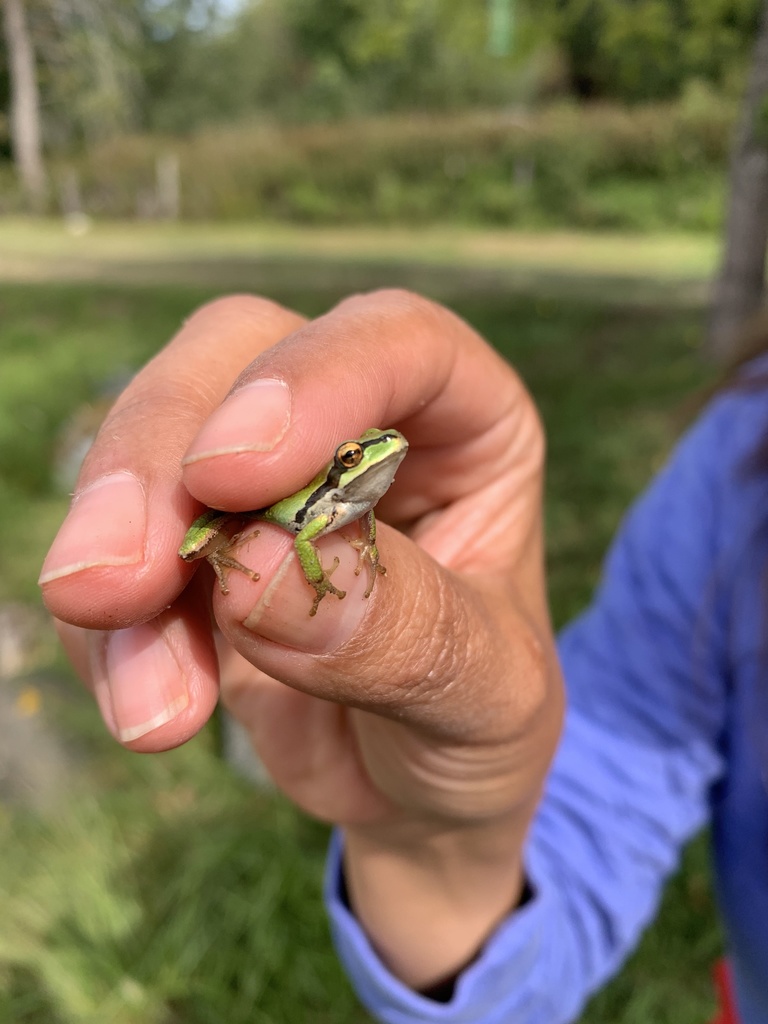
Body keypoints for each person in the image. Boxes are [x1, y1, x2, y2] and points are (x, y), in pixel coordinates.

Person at [39, 290, 768, 1023]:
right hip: (264, 525)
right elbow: (301, 542)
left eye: (373, 448)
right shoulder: (739, 454)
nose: (378, 456)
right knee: (229, 542)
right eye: (359, 451)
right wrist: (427, 838)